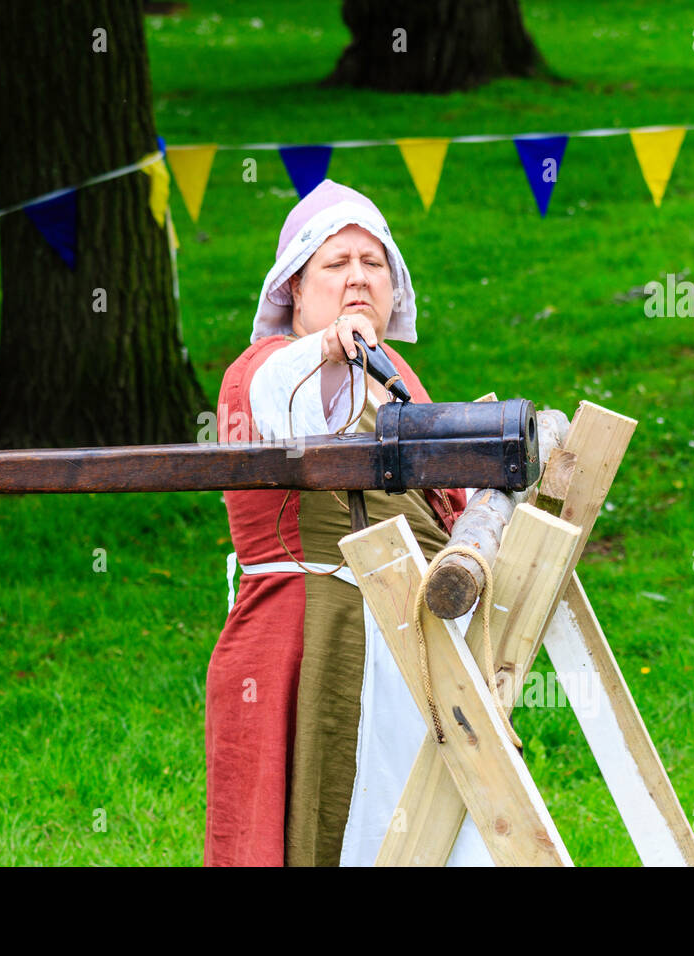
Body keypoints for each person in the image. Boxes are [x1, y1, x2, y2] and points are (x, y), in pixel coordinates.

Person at [204, 180, 474, 867]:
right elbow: (272, 403)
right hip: (308, 633)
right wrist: (327, 346)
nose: (358, 276)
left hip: (409, 630)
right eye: (335, 263)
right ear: (294, 286)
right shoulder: (268, 366)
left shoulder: (397, 373)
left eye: (373, 262)